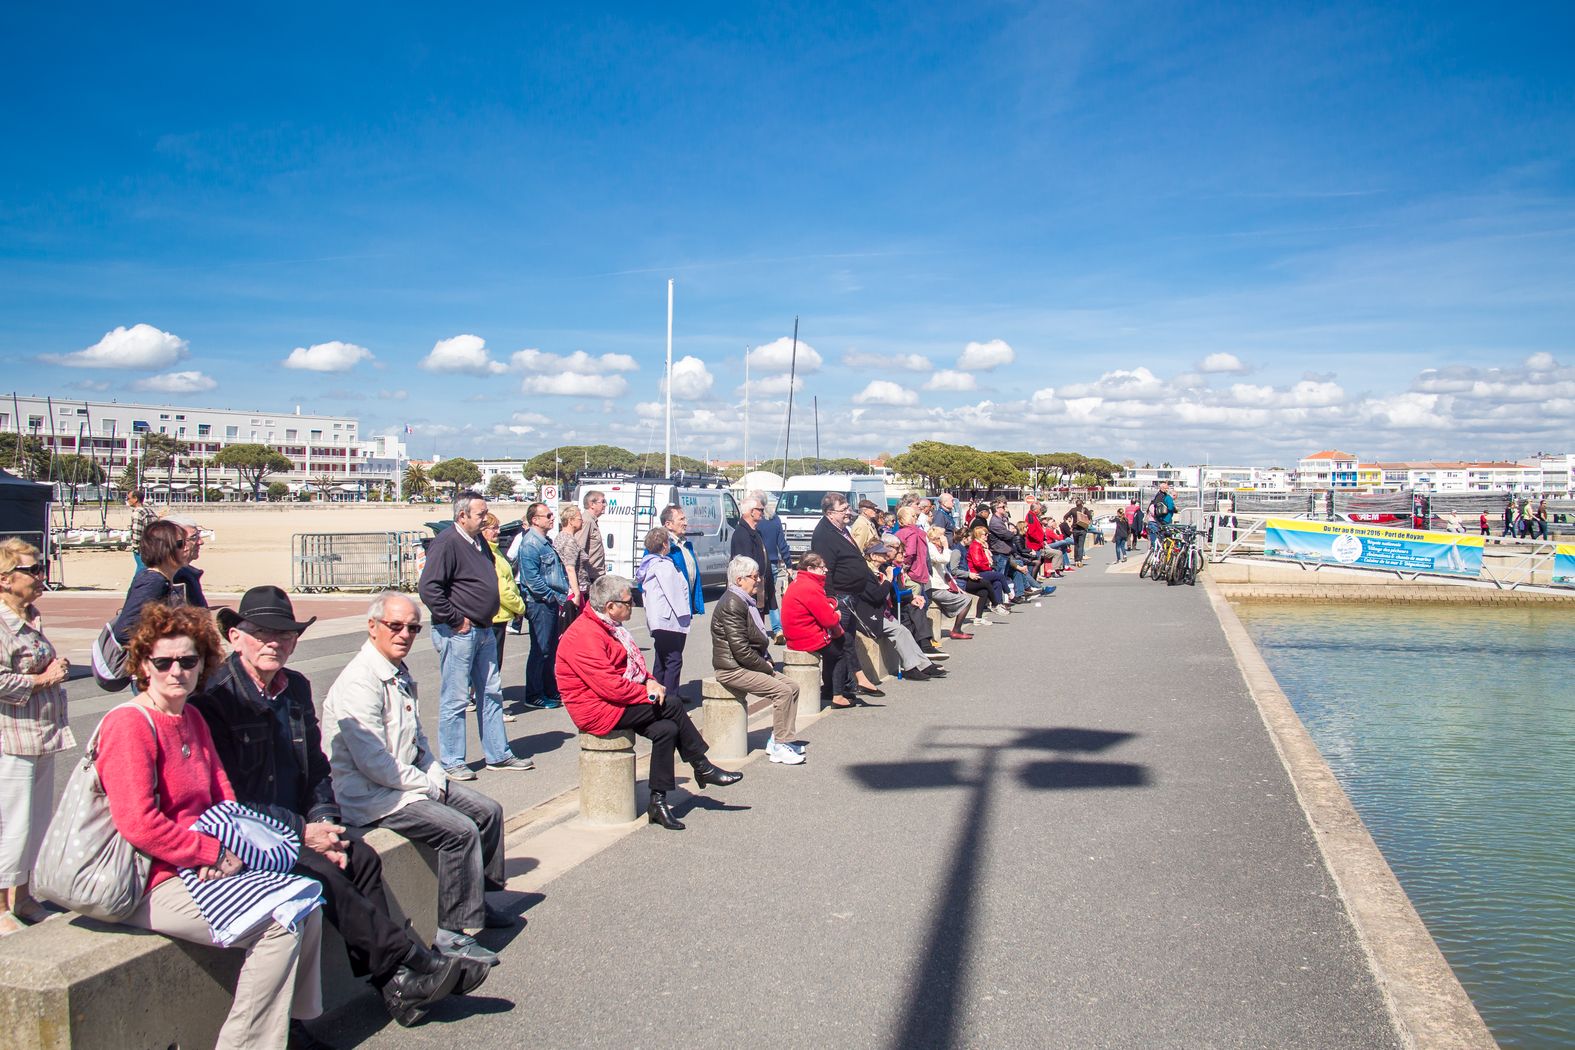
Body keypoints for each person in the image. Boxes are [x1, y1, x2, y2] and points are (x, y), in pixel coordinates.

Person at [194, 587, 475, 1029]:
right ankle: (409, 959)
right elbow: (226, 798)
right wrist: (301, 832)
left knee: (359, 858)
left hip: (300, 826)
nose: (274, 643)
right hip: (249, 836)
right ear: (235, 637)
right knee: (323, 873)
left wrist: (324, 819)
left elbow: (316, 770)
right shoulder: (215, 700)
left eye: (283, 635)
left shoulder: (295, 689)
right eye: (261, 633)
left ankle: (398, 986)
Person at [98, 604, 324, 1050]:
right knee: (279, 924)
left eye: (188, 660)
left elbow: (224, 796)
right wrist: (208, 854)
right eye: (163, 662)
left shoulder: (192, 717)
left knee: (307, 904)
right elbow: (138, 823)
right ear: (144, 665)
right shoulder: (130, 725)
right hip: (152, 878)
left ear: (203, 663)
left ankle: (290, 1029)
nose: (176, 671)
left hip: (205, 865)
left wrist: (229, 851)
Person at [321, 593, 513, 968]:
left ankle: (476, 900)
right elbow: (375, 763)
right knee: (459, 830)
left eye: (412, 627)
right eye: (396, 626)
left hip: (407, 780)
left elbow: (416, 739)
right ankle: (453, 934)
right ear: (373, 627)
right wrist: (427, 785)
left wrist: (434, 770)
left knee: (488, 812)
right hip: (374, 794)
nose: (405, 634)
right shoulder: (360, 682)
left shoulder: (399, 671)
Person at [556, 575, 741, 831]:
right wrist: (648, 693)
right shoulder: (585, 635)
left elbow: (636, 669)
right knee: (673, 704)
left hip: (618, 701)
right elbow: (609, 686)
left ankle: (658, 801)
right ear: (610, 606)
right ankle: (702, 765)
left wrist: (651, 682)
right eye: (629, 602)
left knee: (668, 730)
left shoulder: (611, 626)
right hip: (597, 709)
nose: (633, 605)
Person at [417, 491, 530, 778]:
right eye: (480, 514)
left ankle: (498, 753)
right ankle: (453, 759)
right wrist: (455, 619)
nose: (485, 519)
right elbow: (429, 588)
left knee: (491, 692)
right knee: (455, 698)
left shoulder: (478, 541)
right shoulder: (447, 544)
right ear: (462, 515)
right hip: (459, 632)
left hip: (484, 628)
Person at [0, 539, 72, 935]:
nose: (41, 575)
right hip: (11, 738)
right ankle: (0, 908)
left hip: (40, 734)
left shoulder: (30, 616)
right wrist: (42, 678)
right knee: (10, 822)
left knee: (35, 820)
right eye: (32, 570)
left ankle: (23, 897)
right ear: (5, 580)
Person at [712, 556, 803, 764]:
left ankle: (781, 738)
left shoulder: (744, 601)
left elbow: (756, 641)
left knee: (793, 687)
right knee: (782, 691)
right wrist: (766, 667)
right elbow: (740, 650)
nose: (759, 580)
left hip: (746, 663)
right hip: (732, 668)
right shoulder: (732, 603)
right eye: (754, 577)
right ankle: (780, 745)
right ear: (739, 580)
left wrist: (766, 661)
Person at [781, 552, 855, 708]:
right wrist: (837, 615)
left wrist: (830, 605)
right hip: (805, 637)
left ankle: (830, 689)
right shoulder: (810, 586)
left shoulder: (799, 582)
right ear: (810, 568)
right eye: (822, 567)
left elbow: (817, 606)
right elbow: (828, 620)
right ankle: (837, 695)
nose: (825, 570)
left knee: (836, 646)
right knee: (840, 650)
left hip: (797, 634)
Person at [111, 519, 200, 645]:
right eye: (180, 544)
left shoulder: (163, 579)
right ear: (164, 549)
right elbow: (124, 632)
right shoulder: (153, 581)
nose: (186, 548)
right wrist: (165, 646)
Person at [516, 501, 568, 711]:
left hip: (550, 602)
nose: (551, 518)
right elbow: (531, 579)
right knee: (540, 649)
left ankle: (549, 688)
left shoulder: (544, 541)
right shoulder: (530, 543)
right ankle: (534, 694)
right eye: (547, 516)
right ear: (535, 519)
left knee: (551, 649)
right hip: (540, 604)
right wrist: (550, 597)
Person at [635, 527, 691, 702]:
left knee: (661, 659)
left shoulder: (649, 563)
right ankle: (670, 702)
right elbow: (674, 594)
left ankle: (655, 697)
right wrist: (685, 616)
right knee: (674, 660)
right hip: (669, 620)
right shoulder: (663, 566)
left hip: (657, 620)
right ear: (665, 544)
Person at [479, 513, 525, 723]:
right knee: (492, 666)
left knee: (491, 665)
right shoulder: (489, 555)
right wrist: (519, 606)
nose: (498, 531)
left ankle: (485, 703)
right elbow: (503, 588)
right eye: (493, 528)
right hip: (495, 616)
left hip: (499, 615)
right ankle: (492, 707)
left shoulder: (495, 552)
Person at [729, 494, 778, 626]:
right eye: (760, 510)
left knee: (759, 623)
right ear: (751, 512)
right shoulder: (742, 534)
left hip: (759, 587)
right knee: (752, 626)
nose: (762, 512)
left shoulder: (755, 532)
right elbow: (744, 568)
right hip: (750, 591)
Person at [921, 526, 975, 639]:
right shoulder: (930, 548)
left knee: (965, 597)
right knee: (967, 600)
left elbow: (946, 569)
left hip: (942, 585)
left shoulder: (939, 548)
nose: (946, 538)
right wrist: (945, 546)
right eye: (943, 535)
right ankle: (956, 630)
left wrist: (955, 586)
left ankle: (957, 629)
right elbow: (944, 560)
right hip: (934, 587)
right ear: (936, 537)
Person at [754, 493, 792, 641]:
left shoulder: (756, 521)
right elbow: (782, 544)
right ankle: (777, 629)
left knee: (758, 598)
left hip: (758, 563)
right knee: (771, 595)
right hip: (773, 562)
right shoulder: (775, 519)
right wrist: (788, 564)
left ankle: (759, 628)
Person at [660, 504, 706, 618]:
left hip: (683, 608)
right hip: (669, 612)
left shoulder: (685, 545)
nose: (685, 523)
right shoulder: (660, 545)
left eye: (685, 519)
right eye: (681, 519)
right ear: (668, 524)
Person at [966, 523, 1011, 617]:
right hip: (977, 572)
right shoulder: (976, 546)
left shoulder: (983, 545)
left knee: (997, 583)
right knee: (1000, 575)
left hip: (984, 570)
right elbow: (978, 563)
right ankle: (1009, 592)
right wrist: (989, 568)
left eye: (987, 534)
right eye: (984, 534)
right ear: (978, 535)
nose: (987, 536)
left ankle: (997, 604)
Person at [552, 502, 590, 613]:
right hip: (572, 590)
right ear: (570, 521)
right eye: (579, 518)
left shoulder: (560, 536)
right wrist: (577, 594)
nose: (582, 521)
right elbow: (570, 567)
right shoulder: (569, 541)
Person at [166, 516, 209, 608]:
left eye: (199, 536)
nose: (201, 542)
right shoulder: (159, 580)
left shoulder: (186, 574)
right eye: (194, 537)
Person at [126, 488, 158, 576]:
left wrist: (135, 547)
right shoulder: (149, 511)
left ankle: (134, 588)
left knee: (141, 569)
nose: (127, 501)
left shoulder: (137, 512)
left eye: (128, 498)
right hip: (153, 545)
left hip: (142, 547)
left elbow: (137, 531)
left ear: (135, 499)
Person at [580, 489, 608, 588]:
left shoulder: (593, 521)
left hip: (596, 574)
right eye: (603, 502)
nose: (605, 505)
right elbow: (580, 548)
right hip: (590, 576)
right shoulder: (587, 521)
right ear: (592, 504)